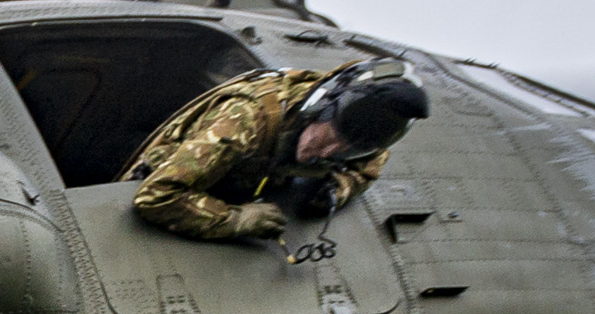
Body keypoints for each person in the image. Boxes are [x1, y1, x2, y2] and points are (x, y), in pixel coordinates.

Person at [126, 57, 430, 242]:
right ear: (318, 108)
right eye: (329, 138)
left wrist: (337, 189)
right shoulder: (246, 118)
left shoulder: (366, 142)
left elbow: (368, 167)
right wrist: (235, 219)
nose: (327, 153)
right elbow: (156, 195)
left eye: (344, 150)